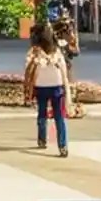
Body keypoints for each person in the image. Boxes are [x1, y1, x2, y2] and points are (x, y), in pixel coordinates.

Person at [25, 24, 70, 157]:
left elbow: (64, 73)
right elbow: (28, 68)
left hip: (53, 87)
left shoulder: (57, 53)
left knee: (52, 116)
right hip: (48, 87)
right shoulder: (35, 53)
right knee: (49, 116)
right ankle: (55, 143)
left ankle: (58, 144)